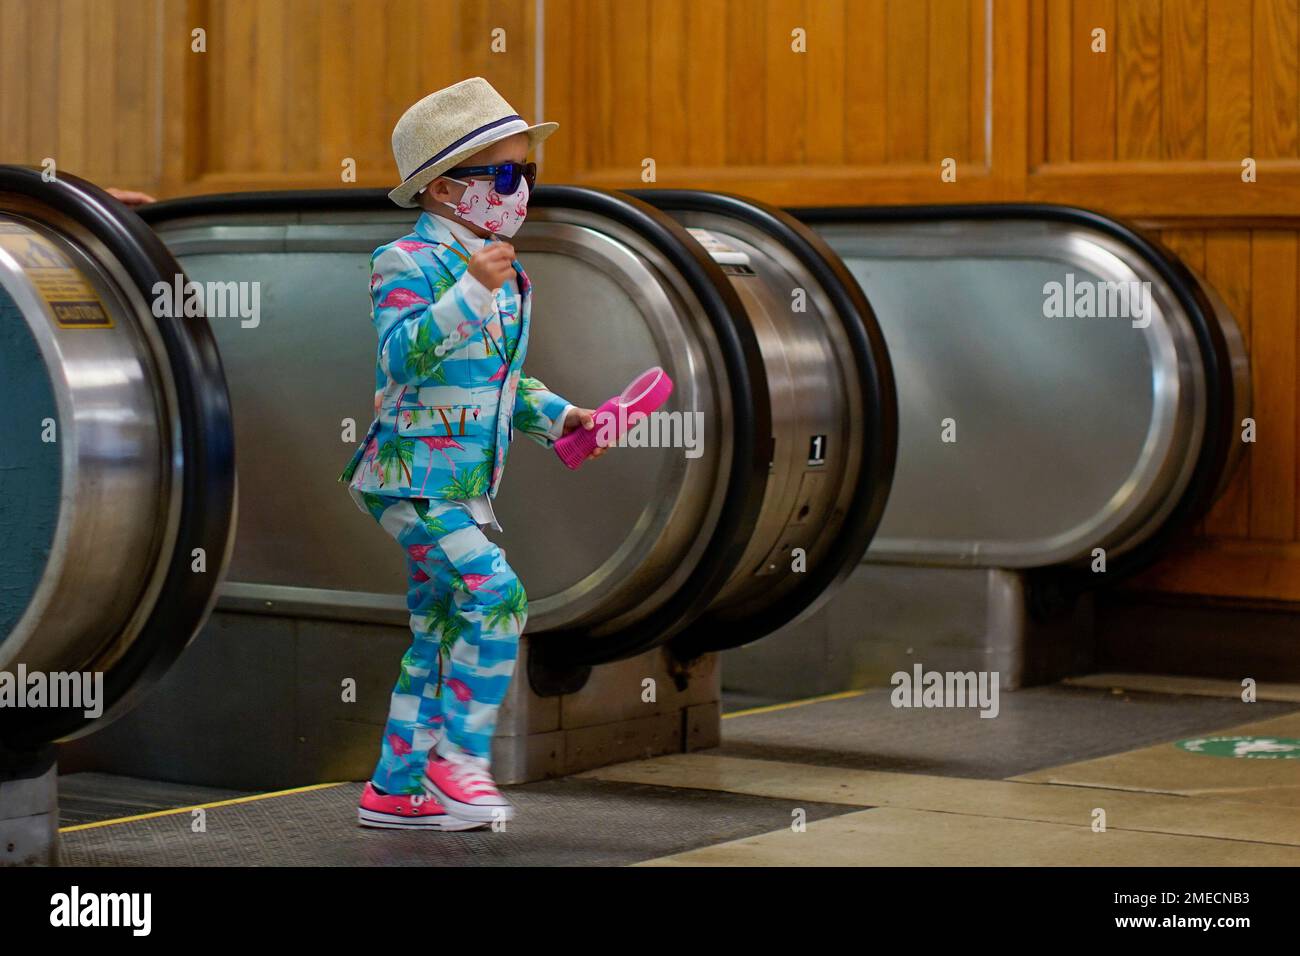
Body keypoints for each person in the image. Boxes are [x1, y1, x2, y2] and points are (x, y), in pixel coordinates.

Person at [340, 77, 605, 831]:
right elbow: (400, 358)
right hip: (409, 479)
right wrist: (468, 298)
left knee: (439, 625)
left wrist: (564, 420)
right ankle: (458, 761)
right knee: (498, 598)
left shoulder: (505, 271)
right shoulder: (407, 262)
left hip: (462, 482)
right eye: (507, 174)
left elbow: (505, 382)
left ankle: (396, 786)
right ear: (447, 187)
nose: (521, 190)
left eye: (528, 173)